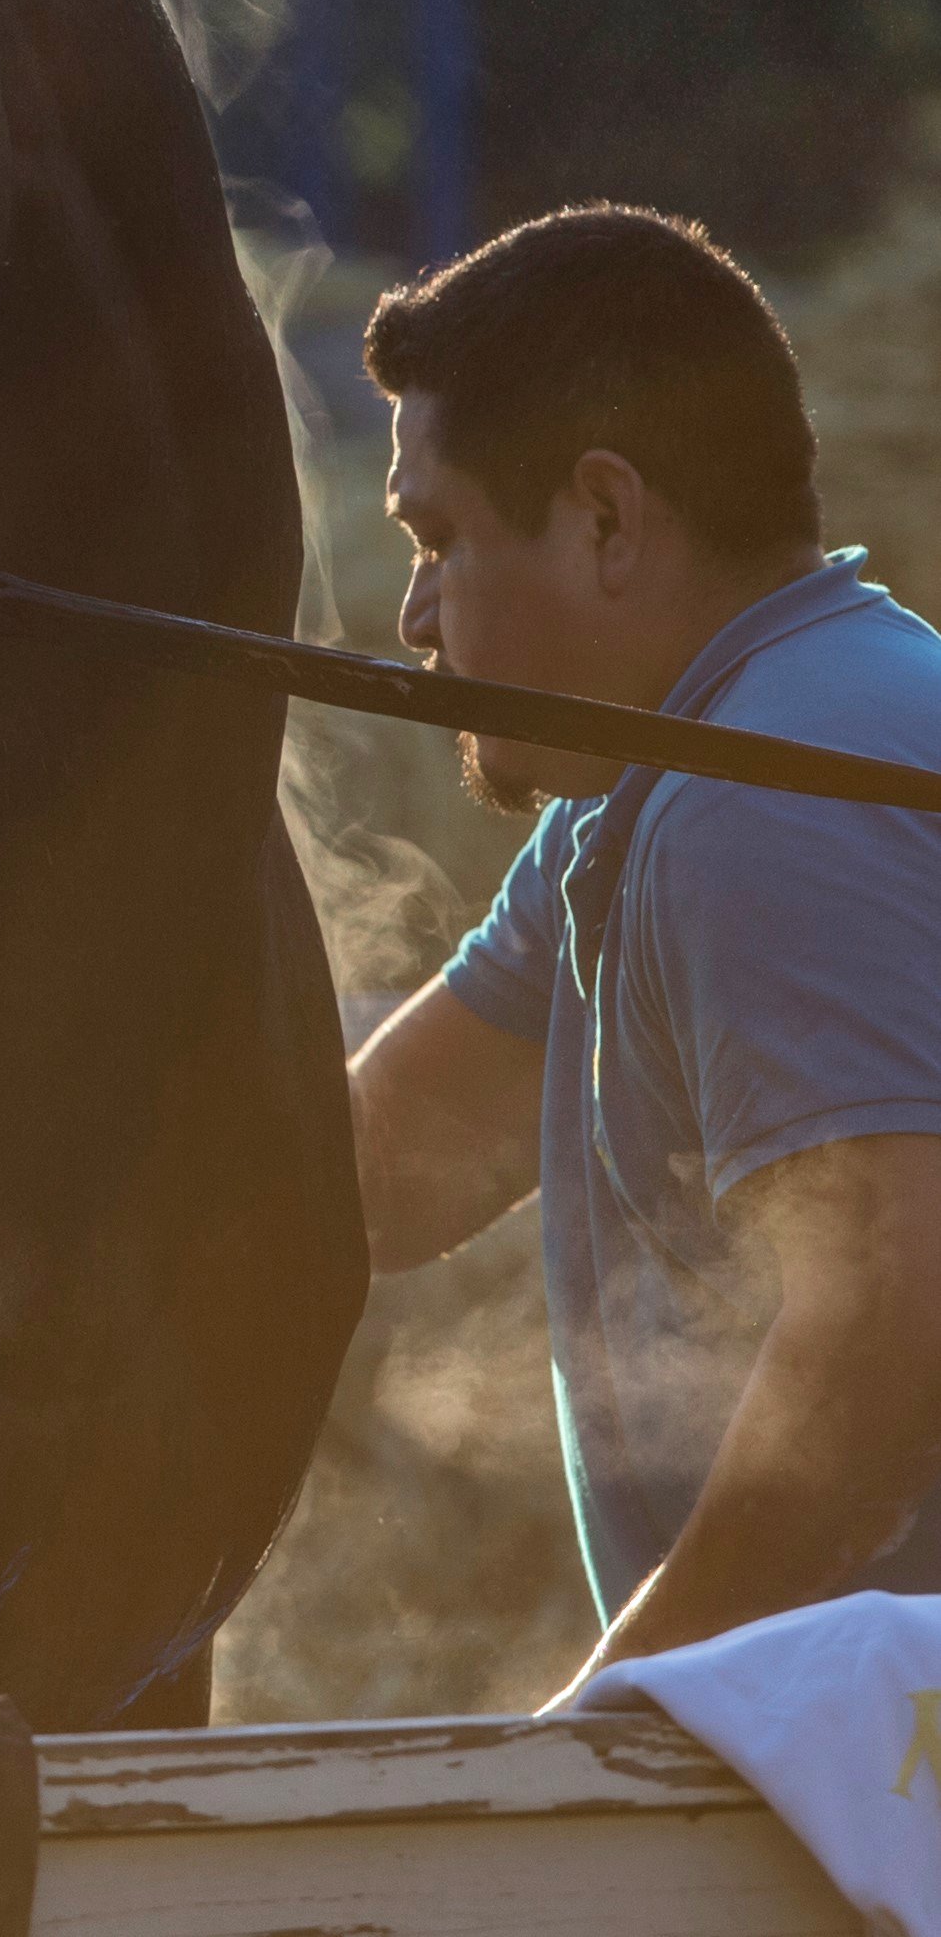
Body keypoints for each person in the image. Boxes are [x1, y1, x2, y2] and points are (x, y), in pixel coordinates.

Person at [346, 203, 941, 1698]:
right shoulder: (674, 769)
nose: (415, 612)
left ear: (605, 520)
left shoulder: (767, 794)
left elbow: (885, 1322)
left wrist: (610, 1723)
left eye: (438, 539)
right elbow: (375, 1172)